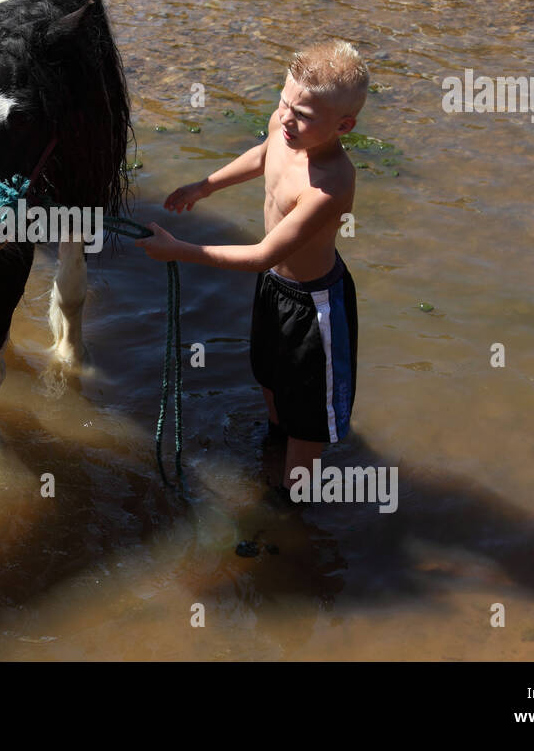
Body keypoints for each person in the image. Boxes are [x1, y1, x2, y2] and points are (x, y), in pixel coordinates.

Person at [140, 40, 369, 500]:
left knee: (308, 421)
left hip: (313, 308)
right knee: (269, 379)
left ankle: (291, 506)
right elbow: (263, 154)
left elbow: (262, 253)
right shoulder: (284, 127)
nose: (287, 118)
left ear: (343, 125)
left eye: (303, 115)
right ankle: (273, 449)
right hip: (274, 290)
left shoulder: (331, 182)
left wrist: (179, 250)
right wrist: (204, 186)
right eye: (284, 102)